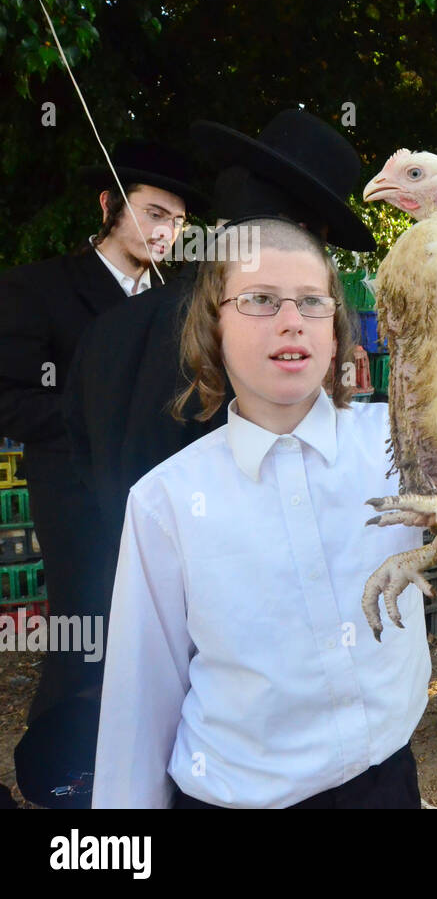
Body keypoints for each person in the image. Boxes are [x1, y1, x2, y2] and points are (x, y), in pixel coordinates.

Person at [58, 110, 376, 808]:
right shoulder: (266, 364)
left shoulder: (104, 335)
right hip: (254, 731)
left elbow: (78, 456)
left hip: (146, 655)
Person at [1, 140, 208, 809]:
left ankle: (151, 764)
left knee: (162, 631)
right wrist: (100, 418)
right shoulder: (39, 287)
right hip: (77, 501)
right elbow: (10, 398)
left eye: (175, 222)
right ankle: (65, 774)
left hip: (160, 499)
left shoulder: (179, 302)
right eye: (152, 213)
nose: (164, 232)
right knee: (87, 629)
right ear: (107, 206)